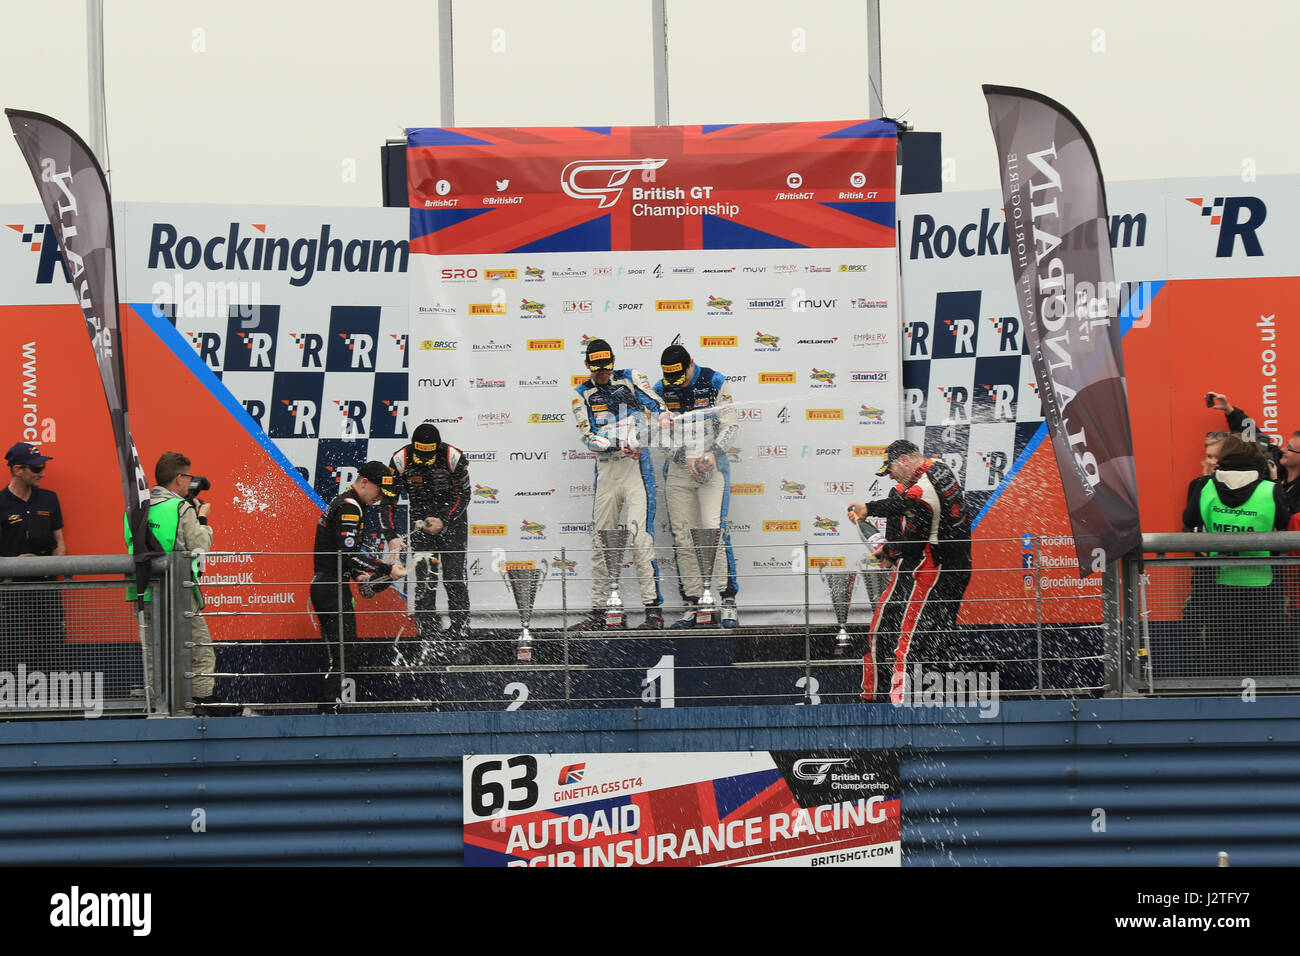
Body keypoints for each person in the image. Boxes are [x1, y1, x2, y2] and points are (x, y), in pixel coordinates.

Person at [848, 439, 972, 703]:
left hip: (936, 568)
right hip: (959, 565)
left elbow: (907, 513)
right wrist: (890, 552)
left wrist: (868, 509)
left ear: (904, 460)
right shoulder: (939, 467)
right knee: (936, 634)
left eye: (891, 469)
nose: (891, 475)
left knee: (909, 637)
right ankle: (935, 696)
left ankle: (900, 702)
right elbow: (903, 511)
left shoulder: (921, 490)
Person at [570, 338, 666, 629]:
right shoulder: (580, 394)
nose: (602, 374)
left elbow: (657, 405)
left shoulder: (631, 377)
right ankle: (602, 611)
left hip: (636, 469)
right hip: (607, 472)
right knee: (602, 542)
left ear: (613, 362)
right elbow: (587, 437)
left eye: (606, 368)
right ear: (587, 365)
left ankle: (652, 611)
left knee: (640, 540)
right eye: (596, 369)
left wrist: (659, 422)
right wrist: (614, 443)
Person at [653, 344, 740, 628]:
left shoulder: (714, 381)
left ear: (691, 363)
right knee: (682, 536)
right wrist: (681, 456)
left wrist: (713, 452)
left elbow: (731, 424)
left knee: (714, 529)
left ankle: (727, 600)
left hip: (712, 469)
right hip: (679, 471)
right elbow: (659, 435)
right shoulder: (661, 388)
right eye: (673, 379)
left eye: (683, 376)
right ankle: (693, 601)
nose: (680, 383)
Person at [310, 461, 406, 711]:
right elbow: (348, 552)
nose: (379, 499)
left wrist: (359, 576)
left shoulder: (348, 502)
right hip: (329, 586)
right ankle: (325, 712)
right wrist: (386, 569)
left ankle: (328, 709)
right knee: (345, 655)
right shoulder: (350, 507)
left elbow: (341, 554)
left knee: (345, 654)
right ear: (364, 482)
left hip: (332, 584)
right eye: (378, 492)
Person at [136, 452, 226, 714]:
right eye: (188, 477)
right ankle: (199, 708)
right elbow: (199, 548)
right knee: (201, 652)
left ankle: (156, 710)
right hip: (178, 593)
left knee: (154, 657)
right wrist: (203, 520)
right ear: (179, 478)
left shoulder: (139, 507)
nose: (190, 482)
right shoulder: (180, 508)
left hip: (145, 591)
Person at [1194, 435, 1290, 676]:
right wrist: (1274, 482)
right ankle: (1263, 709)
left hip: (1220, 585)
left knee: (1223, 656)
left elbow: (1191, 522)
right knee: (1264, 655)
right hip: (1263, 587)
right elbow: (1283, 523)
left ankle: (1225, 707)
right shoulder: (1270, 489)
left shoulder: (1205, 485)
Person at [386, 422, 471, 652]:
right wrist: (391, 534)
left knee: (454, 578)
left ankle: (460, 632)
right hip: (420, 524)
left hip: (452, 522)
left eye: (430, 455)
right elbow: (388, 501)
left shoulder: (454, 456)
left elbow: (464, 494)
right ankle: (428, 633)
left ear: (438, 447)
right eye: (420, 455)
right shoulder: (399, 460)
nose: (425, 461)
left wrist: (444, 519)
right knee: (424, 579)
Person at [0, 442, 66, 676]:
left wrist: (50, 566)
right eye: (37, 469)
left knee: (53, 649)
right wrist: (16, 563)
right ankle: (10, 708)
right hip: (11, 594)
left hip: (46, 590)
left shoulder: (49, 499)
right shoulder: (1, 504)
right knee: (10, 650)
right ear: (18, 470)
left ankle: (56, 705)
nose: (43, 473)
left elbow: (60, 543)